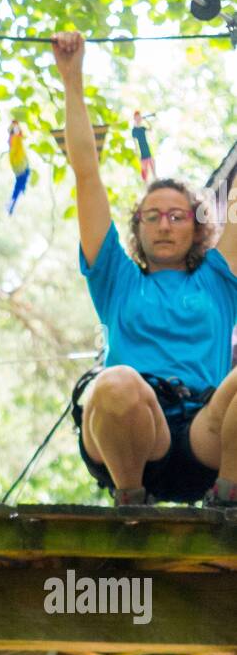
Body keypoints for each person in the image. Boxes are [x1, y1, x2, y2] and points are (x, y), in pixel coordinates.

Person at [52, 29, 237, 507]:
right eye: (151, 215)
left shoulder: (218, 280)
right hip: (131, 436)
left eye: (177, 215)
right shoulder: (116, 276)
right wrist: (72, 80)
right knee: (114, 382)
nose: (164, 224)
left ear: (198, 227)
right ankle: (131, 502)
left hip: (207, 438)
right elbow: (86, 174)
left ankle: (228, 495)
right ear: (137, 227)